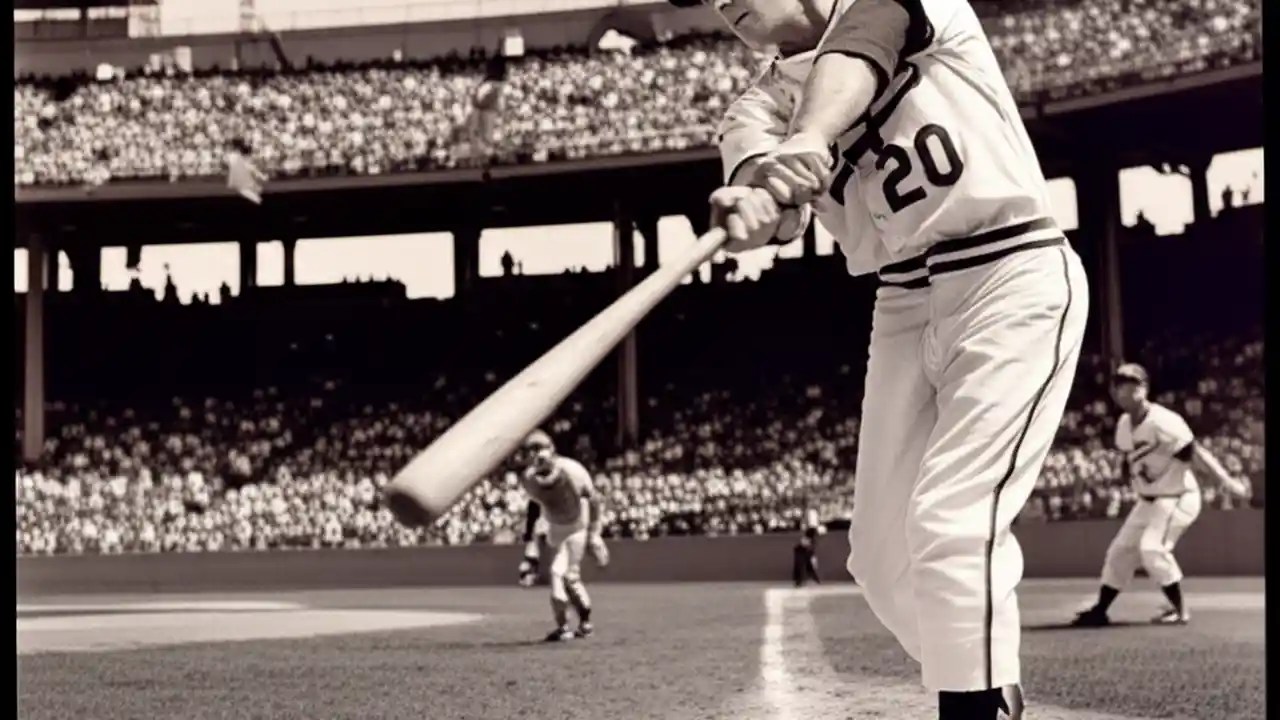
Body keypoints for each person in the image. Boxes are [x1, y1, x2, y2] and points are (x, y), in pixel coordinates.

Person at [675, 0, 1091, 716]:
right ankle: (988, 685)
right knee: (877, 555)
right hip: (900, 298)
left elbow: (860, 47)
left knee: (952, 520)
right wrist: (745, 210)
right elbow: (767, 202)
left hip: (1009, 265)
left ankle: (973, 702)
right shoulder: (754, 106)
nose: (720, 1)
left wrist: (809, 136)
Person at [1072, 363, 1252, 627]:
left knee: (1152, 548)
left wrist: (1228, 482)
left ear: (1145, 388)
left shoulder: (1164, 421)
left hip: (1178, 496)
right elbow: (1129, 457)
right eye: (1120, 384)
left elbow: (1196, 453)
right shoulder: (1123, 424)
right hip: (1148, 500)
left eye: (1133, 383)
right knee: (1119, 551)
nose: (1126, 388)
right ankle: (1101, 610)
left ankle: (1180, 610)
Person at [514, 430, 609, 641]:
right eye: (532, 451)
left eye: (540, 450)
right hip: (555, 527)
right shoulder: (530, 478)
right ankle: (579, 624)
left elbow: (593, 501)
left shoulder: (573, 471)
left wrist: (594, 534)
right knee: (566, 577)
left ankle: (569, 626)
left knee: (562, 574)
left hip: (575, 527)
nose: (537, 456)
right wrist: (533, 543)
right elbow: (537, 506)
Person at [792, 504, 824, 587]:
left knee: (806, 559)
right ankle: (809, 578)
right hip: (807, 543)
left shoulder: (812, 515)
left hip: (808, 542)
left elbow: (812, 529)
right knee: (806, 559)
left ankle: (806, 579)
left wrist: (808, 540)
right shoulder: (809, 515)